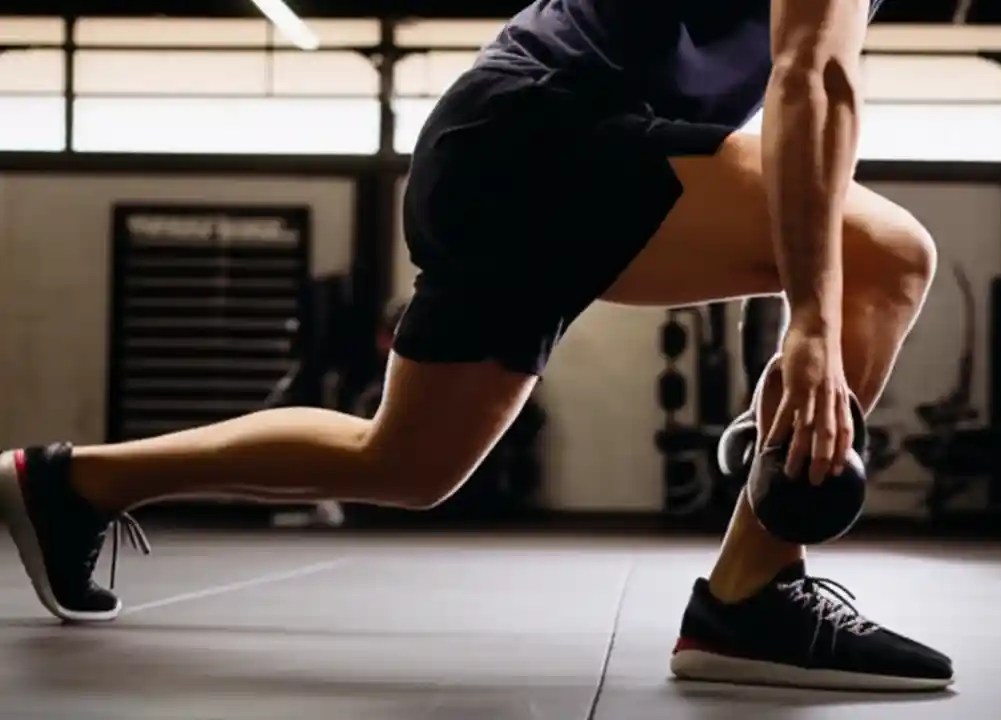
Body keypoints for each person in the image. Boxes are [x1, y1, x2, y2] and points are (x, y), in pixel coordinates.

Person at [0, 0, 950, 691]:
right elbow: (814, 79)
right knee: (888, 258)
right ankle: (750, 598)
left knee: (409, 463)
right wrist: (815, 319)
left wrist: (803, 312)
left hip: (494, 149)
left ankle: (70, 483)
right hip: (550, 133)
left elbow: (804, 114)